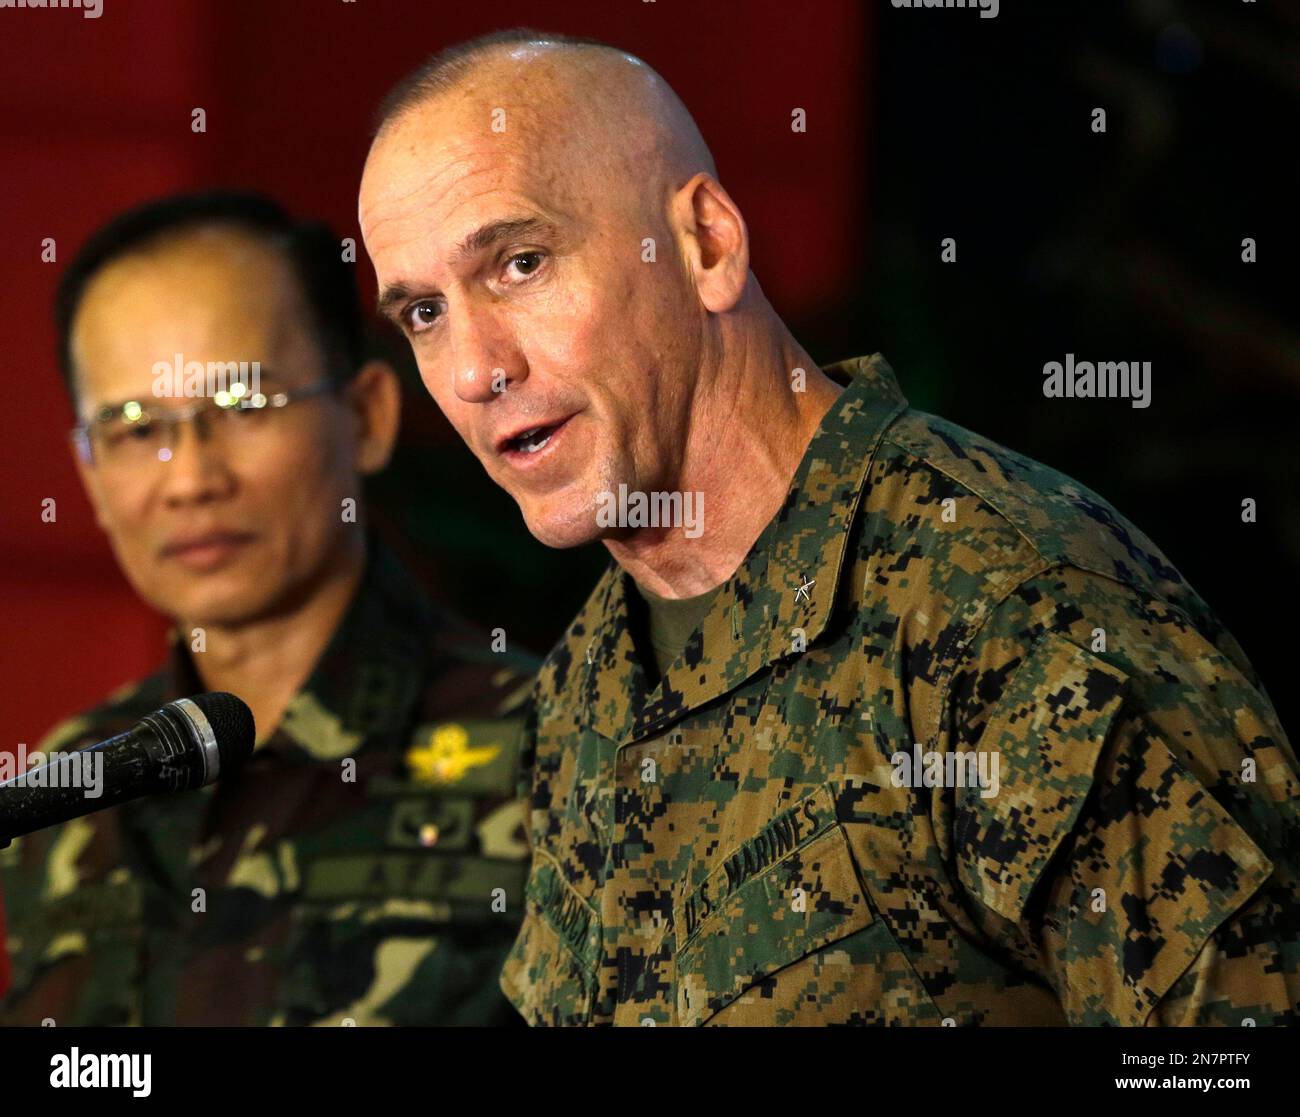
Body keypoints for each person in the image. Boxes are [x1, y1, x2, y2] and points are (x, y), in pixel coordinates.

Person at [358, 29, 1300, 1026]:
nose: (473, 368)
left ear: (706, 243)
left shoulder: (1009, 606)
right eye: (422, 314)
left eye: (519, 263)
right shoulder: (584, 692)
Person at [0, 190, 533, 1026]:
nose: (191, 479)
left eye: (244, 406)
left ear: (365, 417)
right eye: (137, 428)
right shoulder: (68, 788)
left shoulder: (551, 745)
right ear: (89, 471)